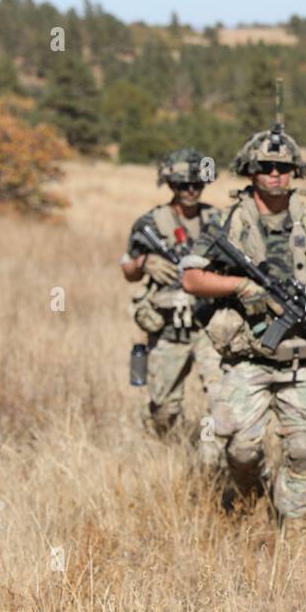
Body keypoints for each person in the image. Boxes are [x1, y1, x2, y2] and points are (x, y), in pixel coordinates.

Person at [180, 120, 306, 525]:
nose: (275, 174)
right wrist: (241, 286)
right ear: (250, 170)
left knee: (301, 448)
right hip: (247, 359)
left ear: (296, 172)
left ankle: (295, 529)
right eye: (265, 166)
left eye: (283, 167)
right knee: (241, 450)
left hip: (301, 358)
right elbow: (192, 278)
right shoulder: (227, 224)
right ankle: (254, 497)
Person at [121, 148, 223, 467]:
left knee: (221, 400)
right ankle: (164, 455)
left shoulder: (217, 220)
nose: (191, 191)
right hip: (169, 328)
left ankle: (212, 463)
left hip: (211, 325)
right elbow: (128, 269)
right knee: (164, 408)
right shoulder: (152, 222)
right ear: (170, 185)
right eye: (183, 185)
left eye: (197, 185)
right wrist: (145, 262)